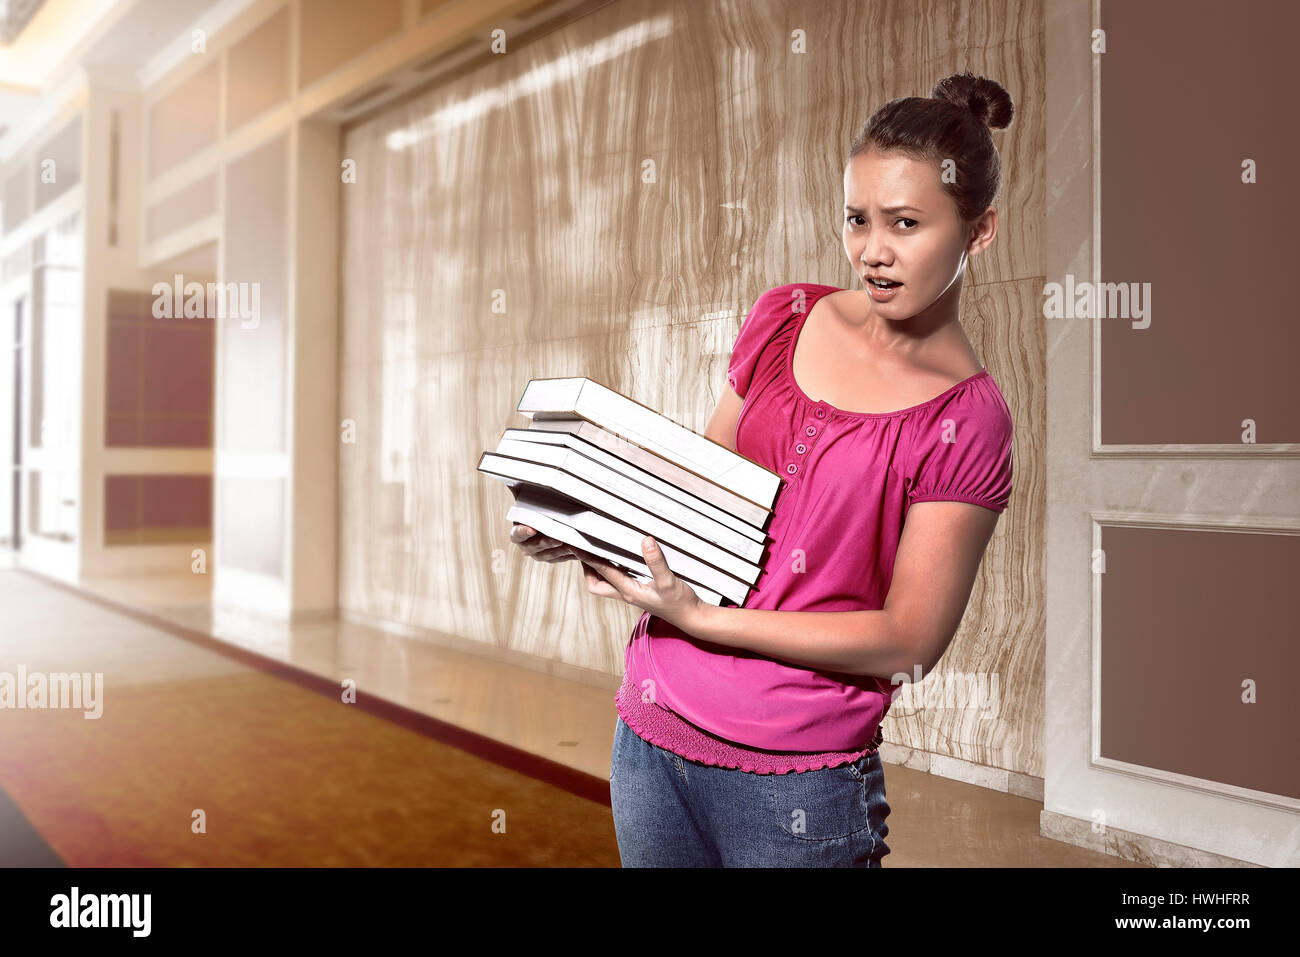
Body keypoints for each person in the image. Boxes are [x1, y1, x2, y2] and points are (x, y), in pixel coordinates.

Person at [511, 71, 1015, 868]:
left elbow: (907, 639)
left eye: (906, 224)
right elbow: (697, 495)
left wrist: (705, 620)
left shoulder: (969, 419)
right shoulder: (783, 315)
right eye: (858, 219)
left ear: (979, 231)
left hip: (796, 790)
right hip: (649, 731)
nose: (872, 252)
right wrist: (582, 519)